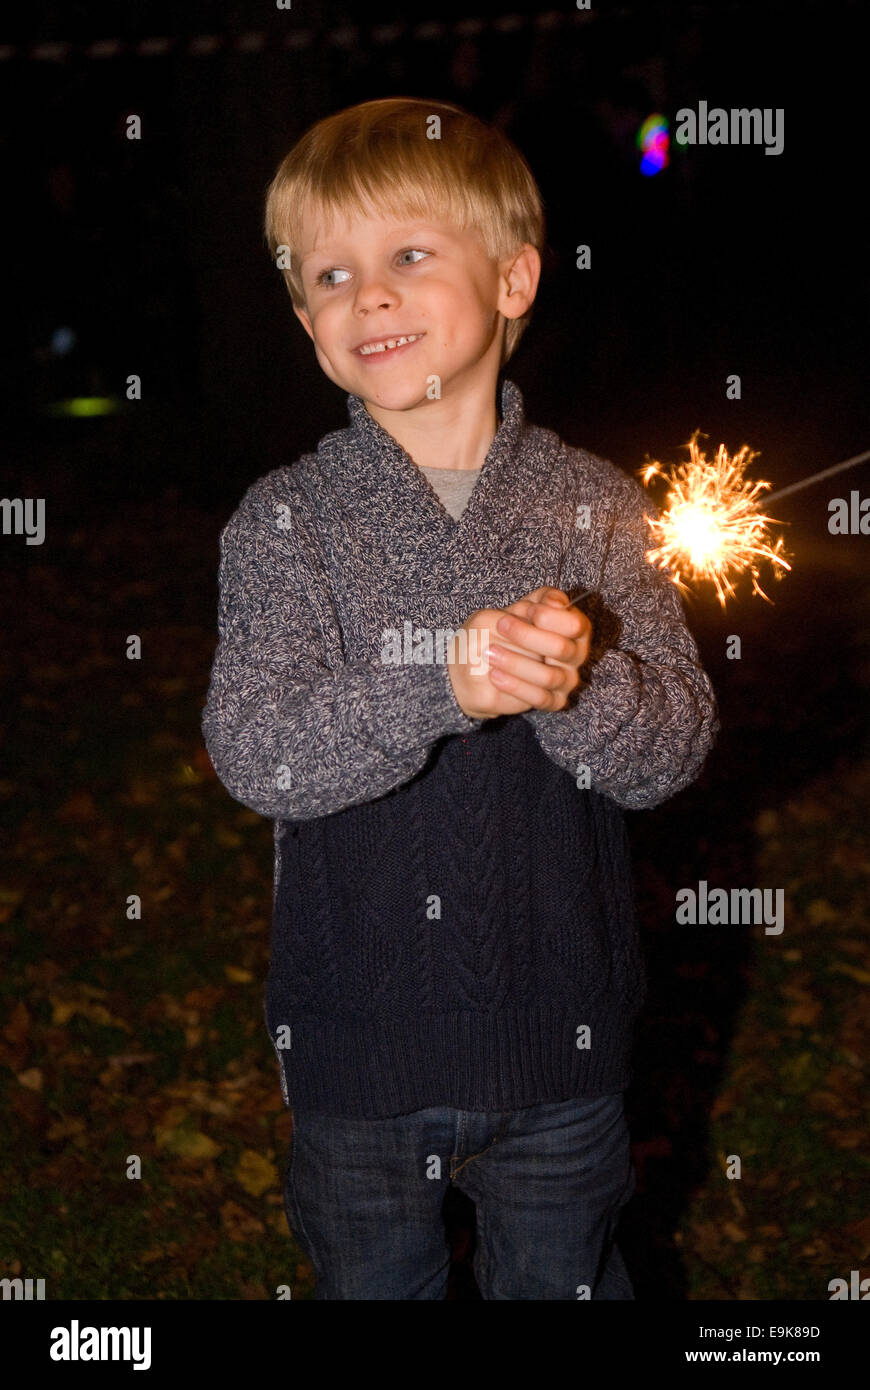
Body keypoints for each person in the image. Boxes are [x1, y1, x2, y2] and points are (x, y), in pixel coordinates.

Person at [201, 96, 718, 1300]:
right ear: (304, 320)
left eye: (409, 257)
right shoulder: (288, 523)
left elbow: (671, 751)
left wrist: (580, 684)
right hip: (358, 1058)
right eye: (328, 274)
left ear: (516, 279)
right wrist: (443, 680)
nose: (366, 295)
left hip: (562, 1049)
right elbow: (257, 752)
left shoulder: (598, 509)